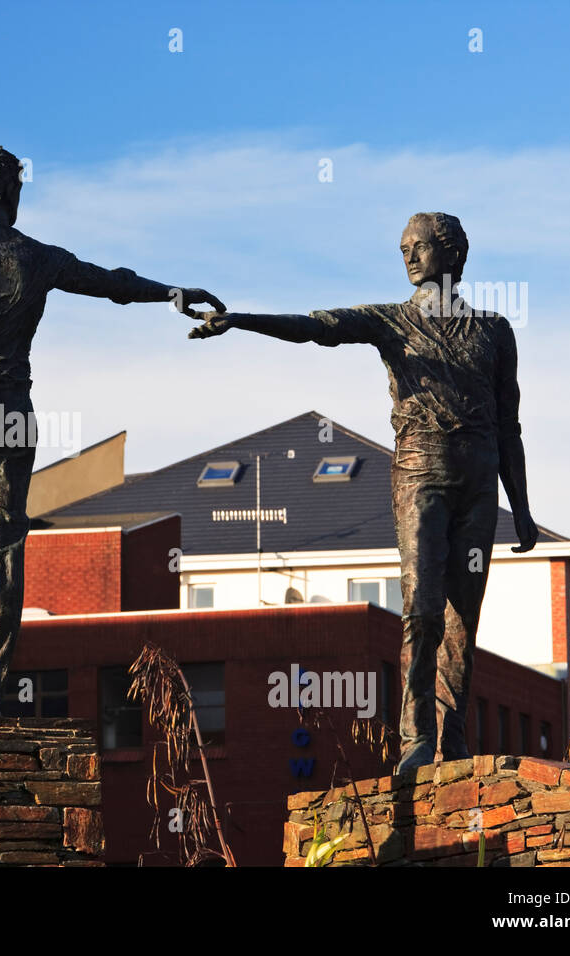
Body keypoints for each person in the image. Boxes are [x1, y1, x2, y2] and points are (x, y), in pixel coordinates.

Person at [0, 142, 224, 716]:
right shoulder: (38, 257)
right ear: (12, 192)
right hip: (9, 416)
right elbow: (114, 284)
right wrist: (176, 292)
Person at [186, 213, 537, 771]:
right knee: (421, 607)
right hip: (422, 473)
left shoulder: (495, 332)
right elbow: (316, 326)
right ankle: (414, 734)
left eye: (419, 247)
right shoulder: (392, 321)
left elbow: (510, 424)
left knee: (461, 619)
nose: (408, 257)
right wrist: (240, 320)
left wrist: (520, 507)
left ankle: (453, 736)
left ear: (453, 255)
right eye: (403, 249)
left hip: (479, 483)